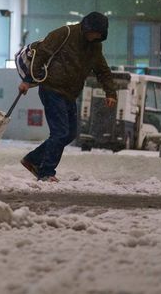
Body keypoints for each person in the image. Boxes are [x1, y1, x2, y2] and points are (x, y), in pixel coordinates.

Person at [18, 11, 117, 182]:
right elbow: (40, 54)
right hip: (52, 89)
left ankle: (33, 159)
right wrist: (28, 80)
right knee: (60, 132)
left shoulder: (95, 46)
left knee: (70, 133)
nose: (94, 36)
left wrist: (110, 92)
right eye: (93, 32)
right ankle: (46, 172)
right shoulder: (65, 33)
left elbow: (103, 70)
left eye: (98, 34)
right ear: (86, 27)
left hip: (69, 94)